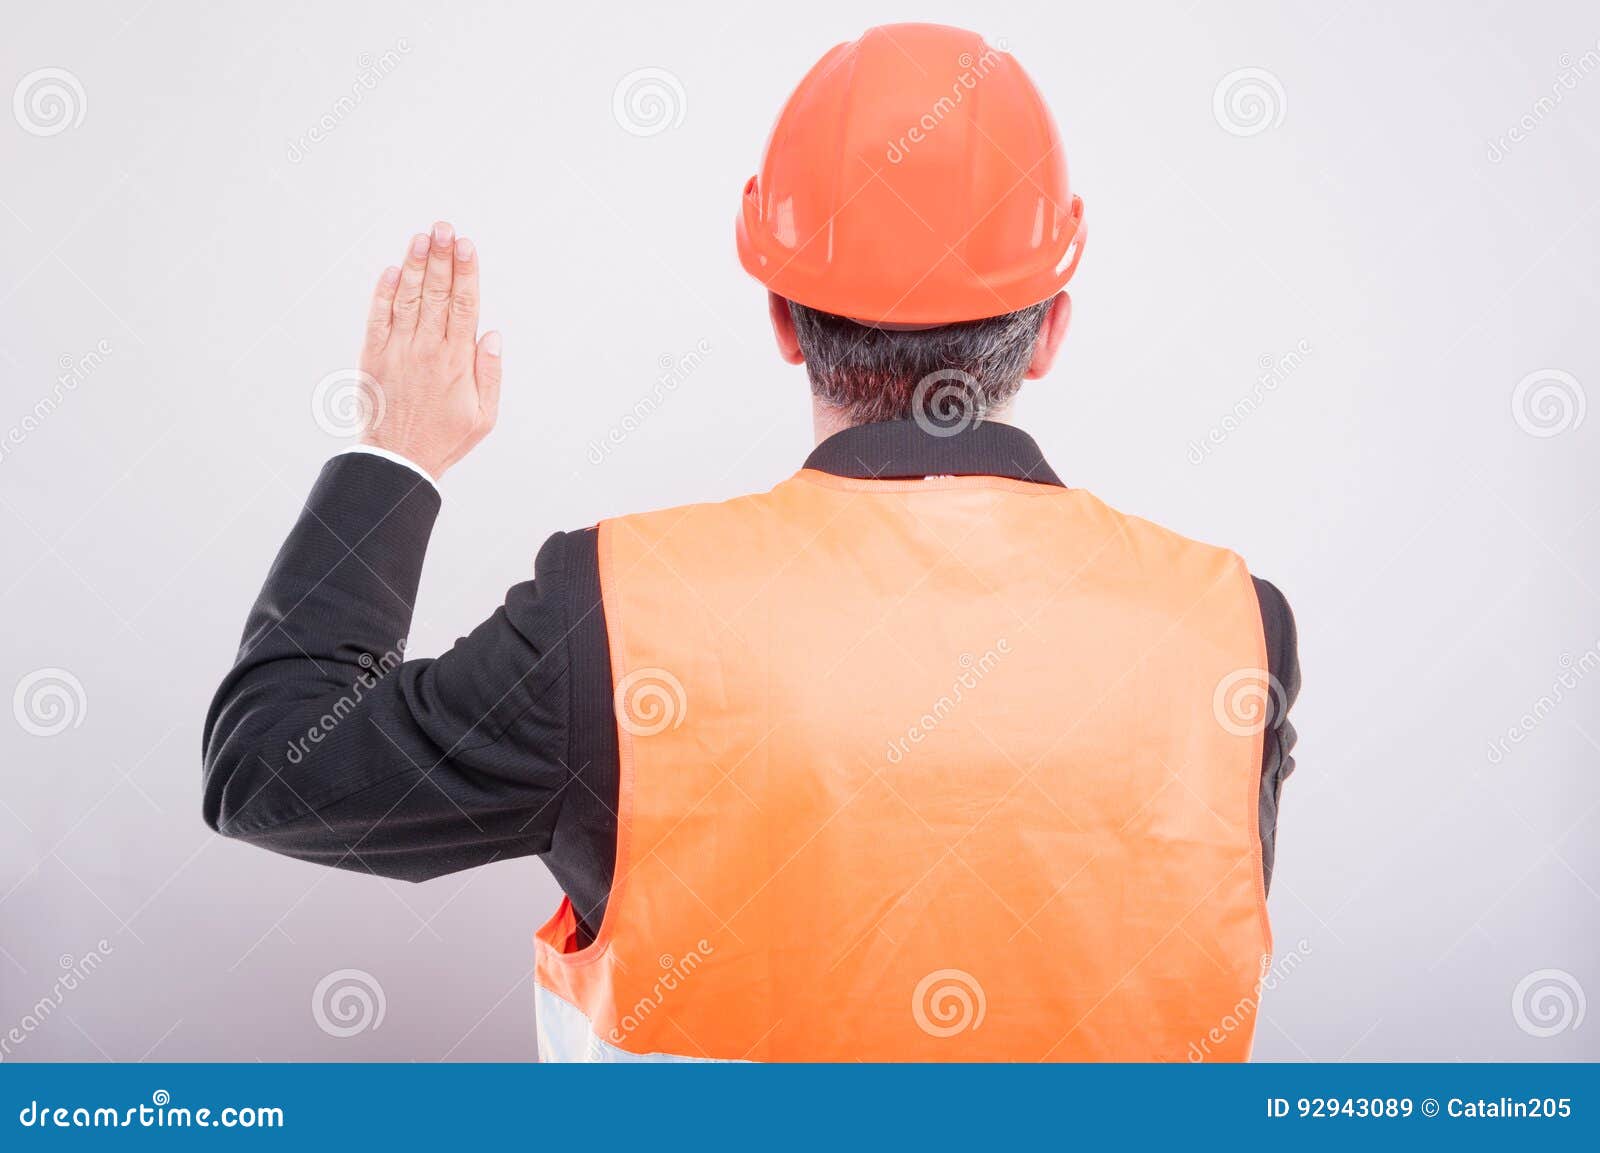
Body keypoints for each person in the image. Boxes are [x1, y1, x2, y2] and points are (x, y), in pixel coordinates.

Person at [204, 23, 1299, 1061]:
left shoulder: (615, 617)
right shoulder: (1235, 628)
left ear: (781, 317)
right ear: (1051, 329)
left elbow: (272, 771)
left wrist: (398, 456)